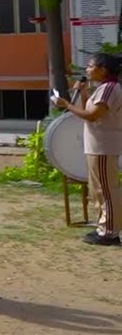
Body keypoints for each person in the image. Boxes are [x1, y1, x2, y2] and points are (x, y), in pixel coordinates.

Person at [53, 52, 122, 246]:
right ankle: (104, 228)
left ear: (103, 70)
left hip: (103, 146)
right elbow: (88, 111)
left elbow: (92, 116)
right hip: (97, 146)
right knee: (98, 189)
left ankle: (110, 232)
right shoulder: (102, 88)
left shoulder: (110, 88)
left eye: (91, 66)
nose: (87, 70)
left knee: (106, 189)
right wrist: (82, 93)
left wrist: (66, 104)